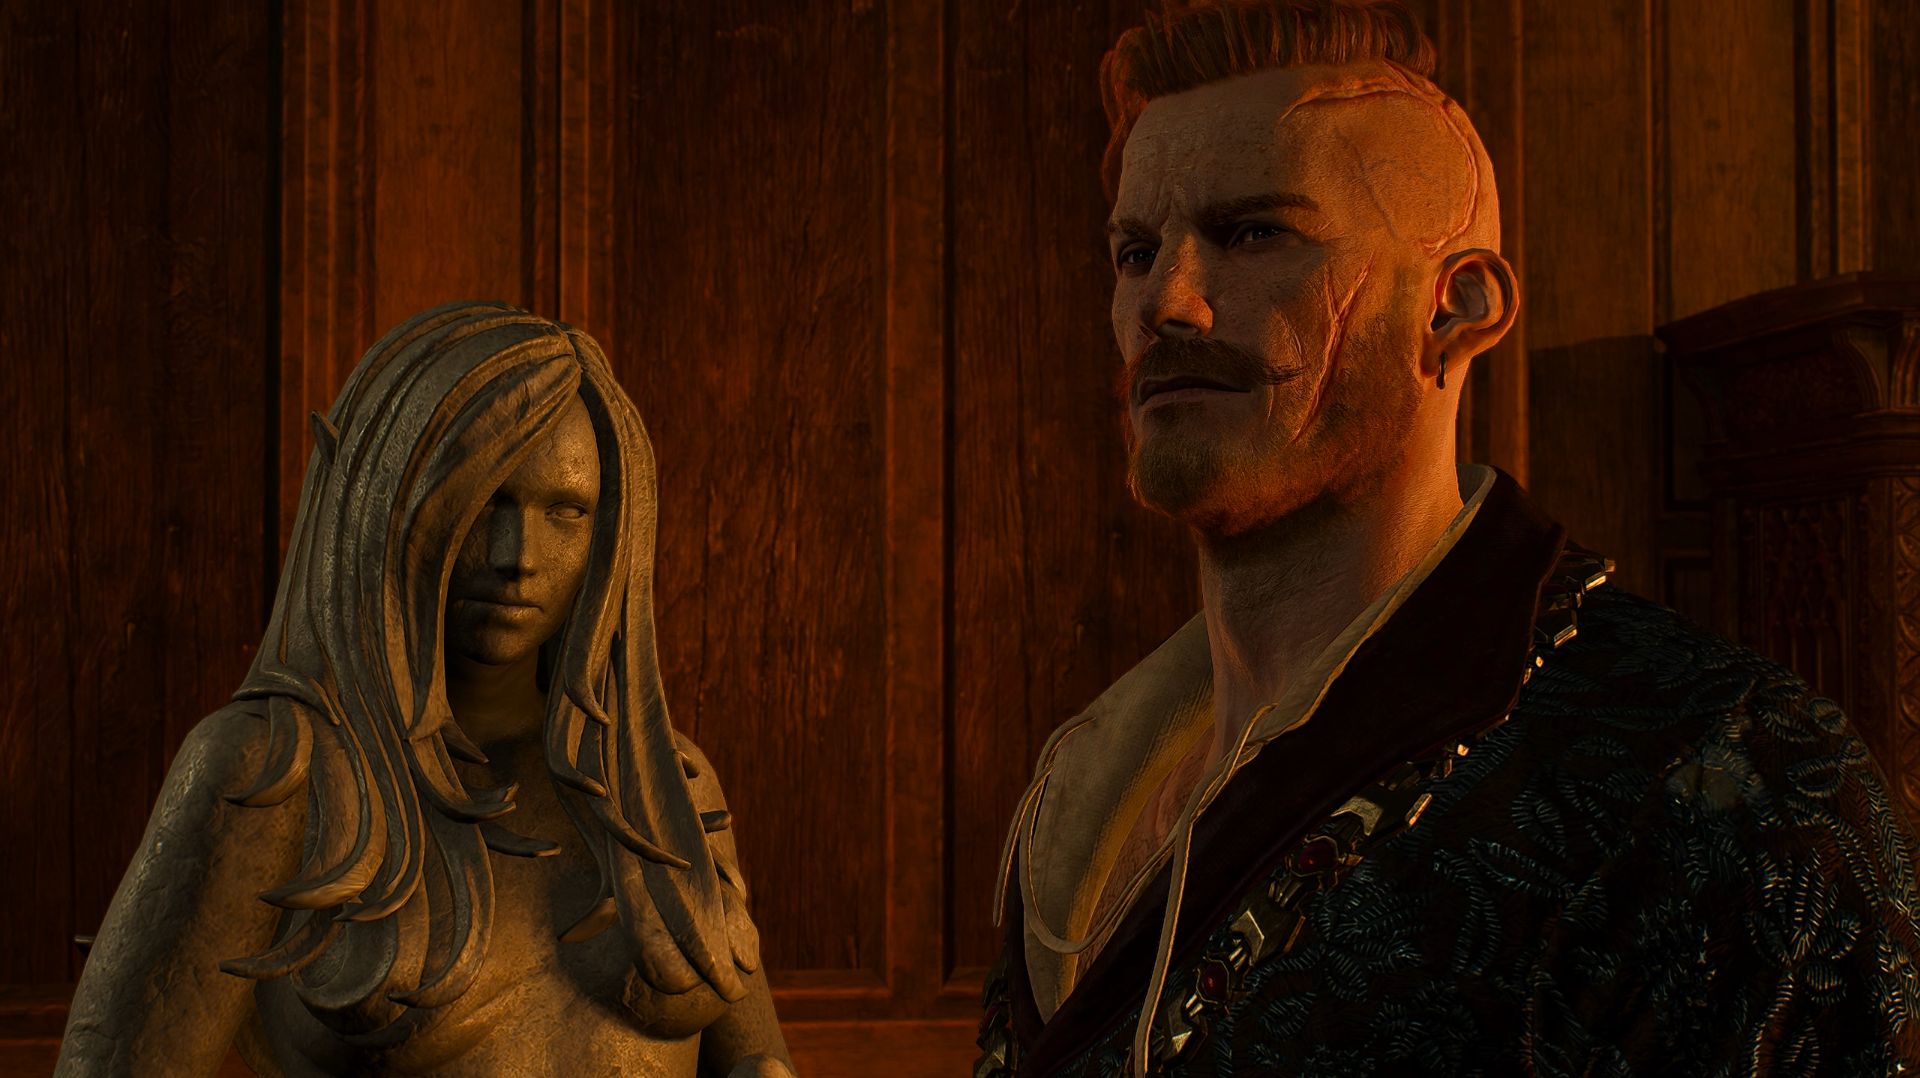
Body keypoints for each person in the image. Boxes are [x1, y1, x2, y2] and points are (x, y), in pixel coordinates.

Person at [976, 3, 1920, 1075]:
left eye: (1254, 234)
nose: (1167, 305)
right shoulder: (1084, 793)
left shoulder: (1726, 774)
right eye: (1136, 252)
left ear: (1456, 306)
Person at [57, 303, 793, 1076]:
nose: (516, 556)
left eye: (566, 512)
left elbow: (761, 1066)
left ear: (612, 534)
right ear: (384, 503)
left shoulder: (661, 781)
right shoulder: (275, 774)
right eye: (485, 501)